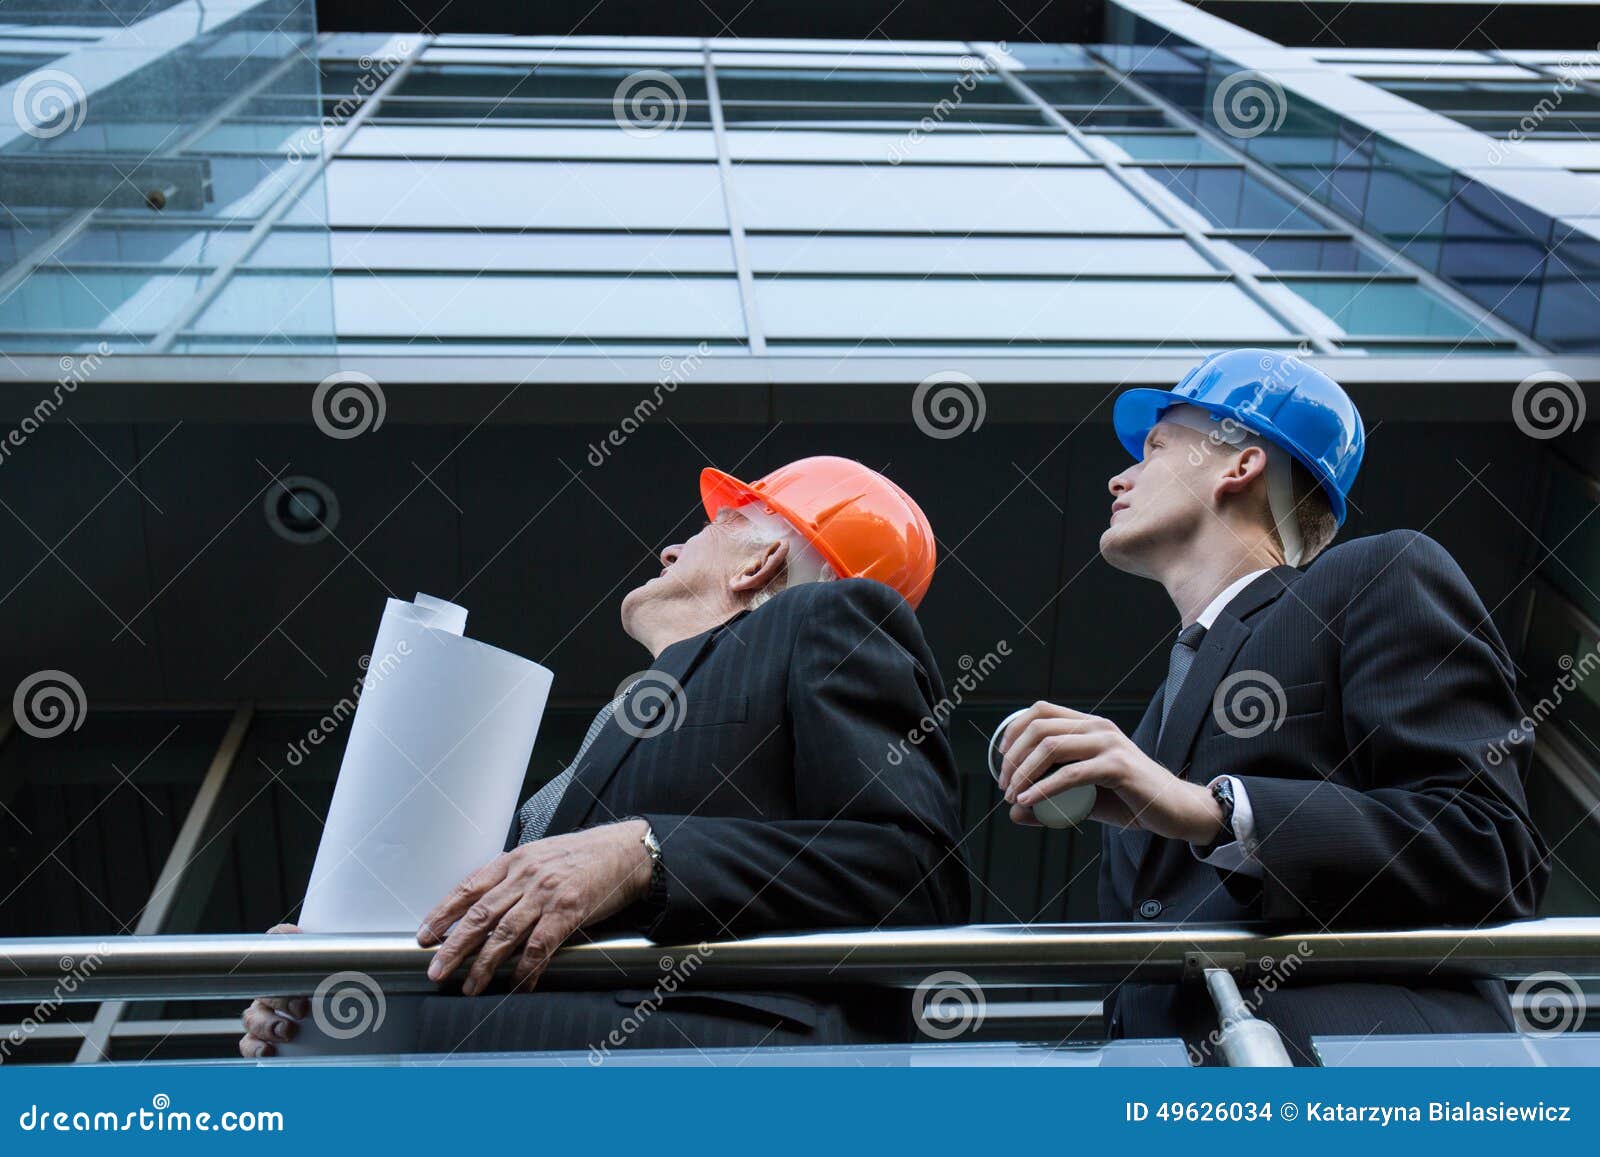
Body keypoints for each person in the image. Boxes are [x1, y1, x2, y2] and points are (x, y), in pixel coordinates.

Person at [240, 455, 969, 1058]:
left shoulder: (825, 620)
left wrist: (644, 854)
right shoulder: (606, 739)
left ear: (761, 560)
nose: (671, 549)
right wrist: (336, 969)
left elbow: (912, 876)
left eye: (715, 524)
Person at [995, 348, 1549, 1065]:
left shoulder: (1380, 574)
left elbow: (1490, 848)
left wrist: (1217, 810)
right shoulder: (1153, 726)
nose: (1119, 475)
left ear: (1238, 464)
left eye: (1156, 446)